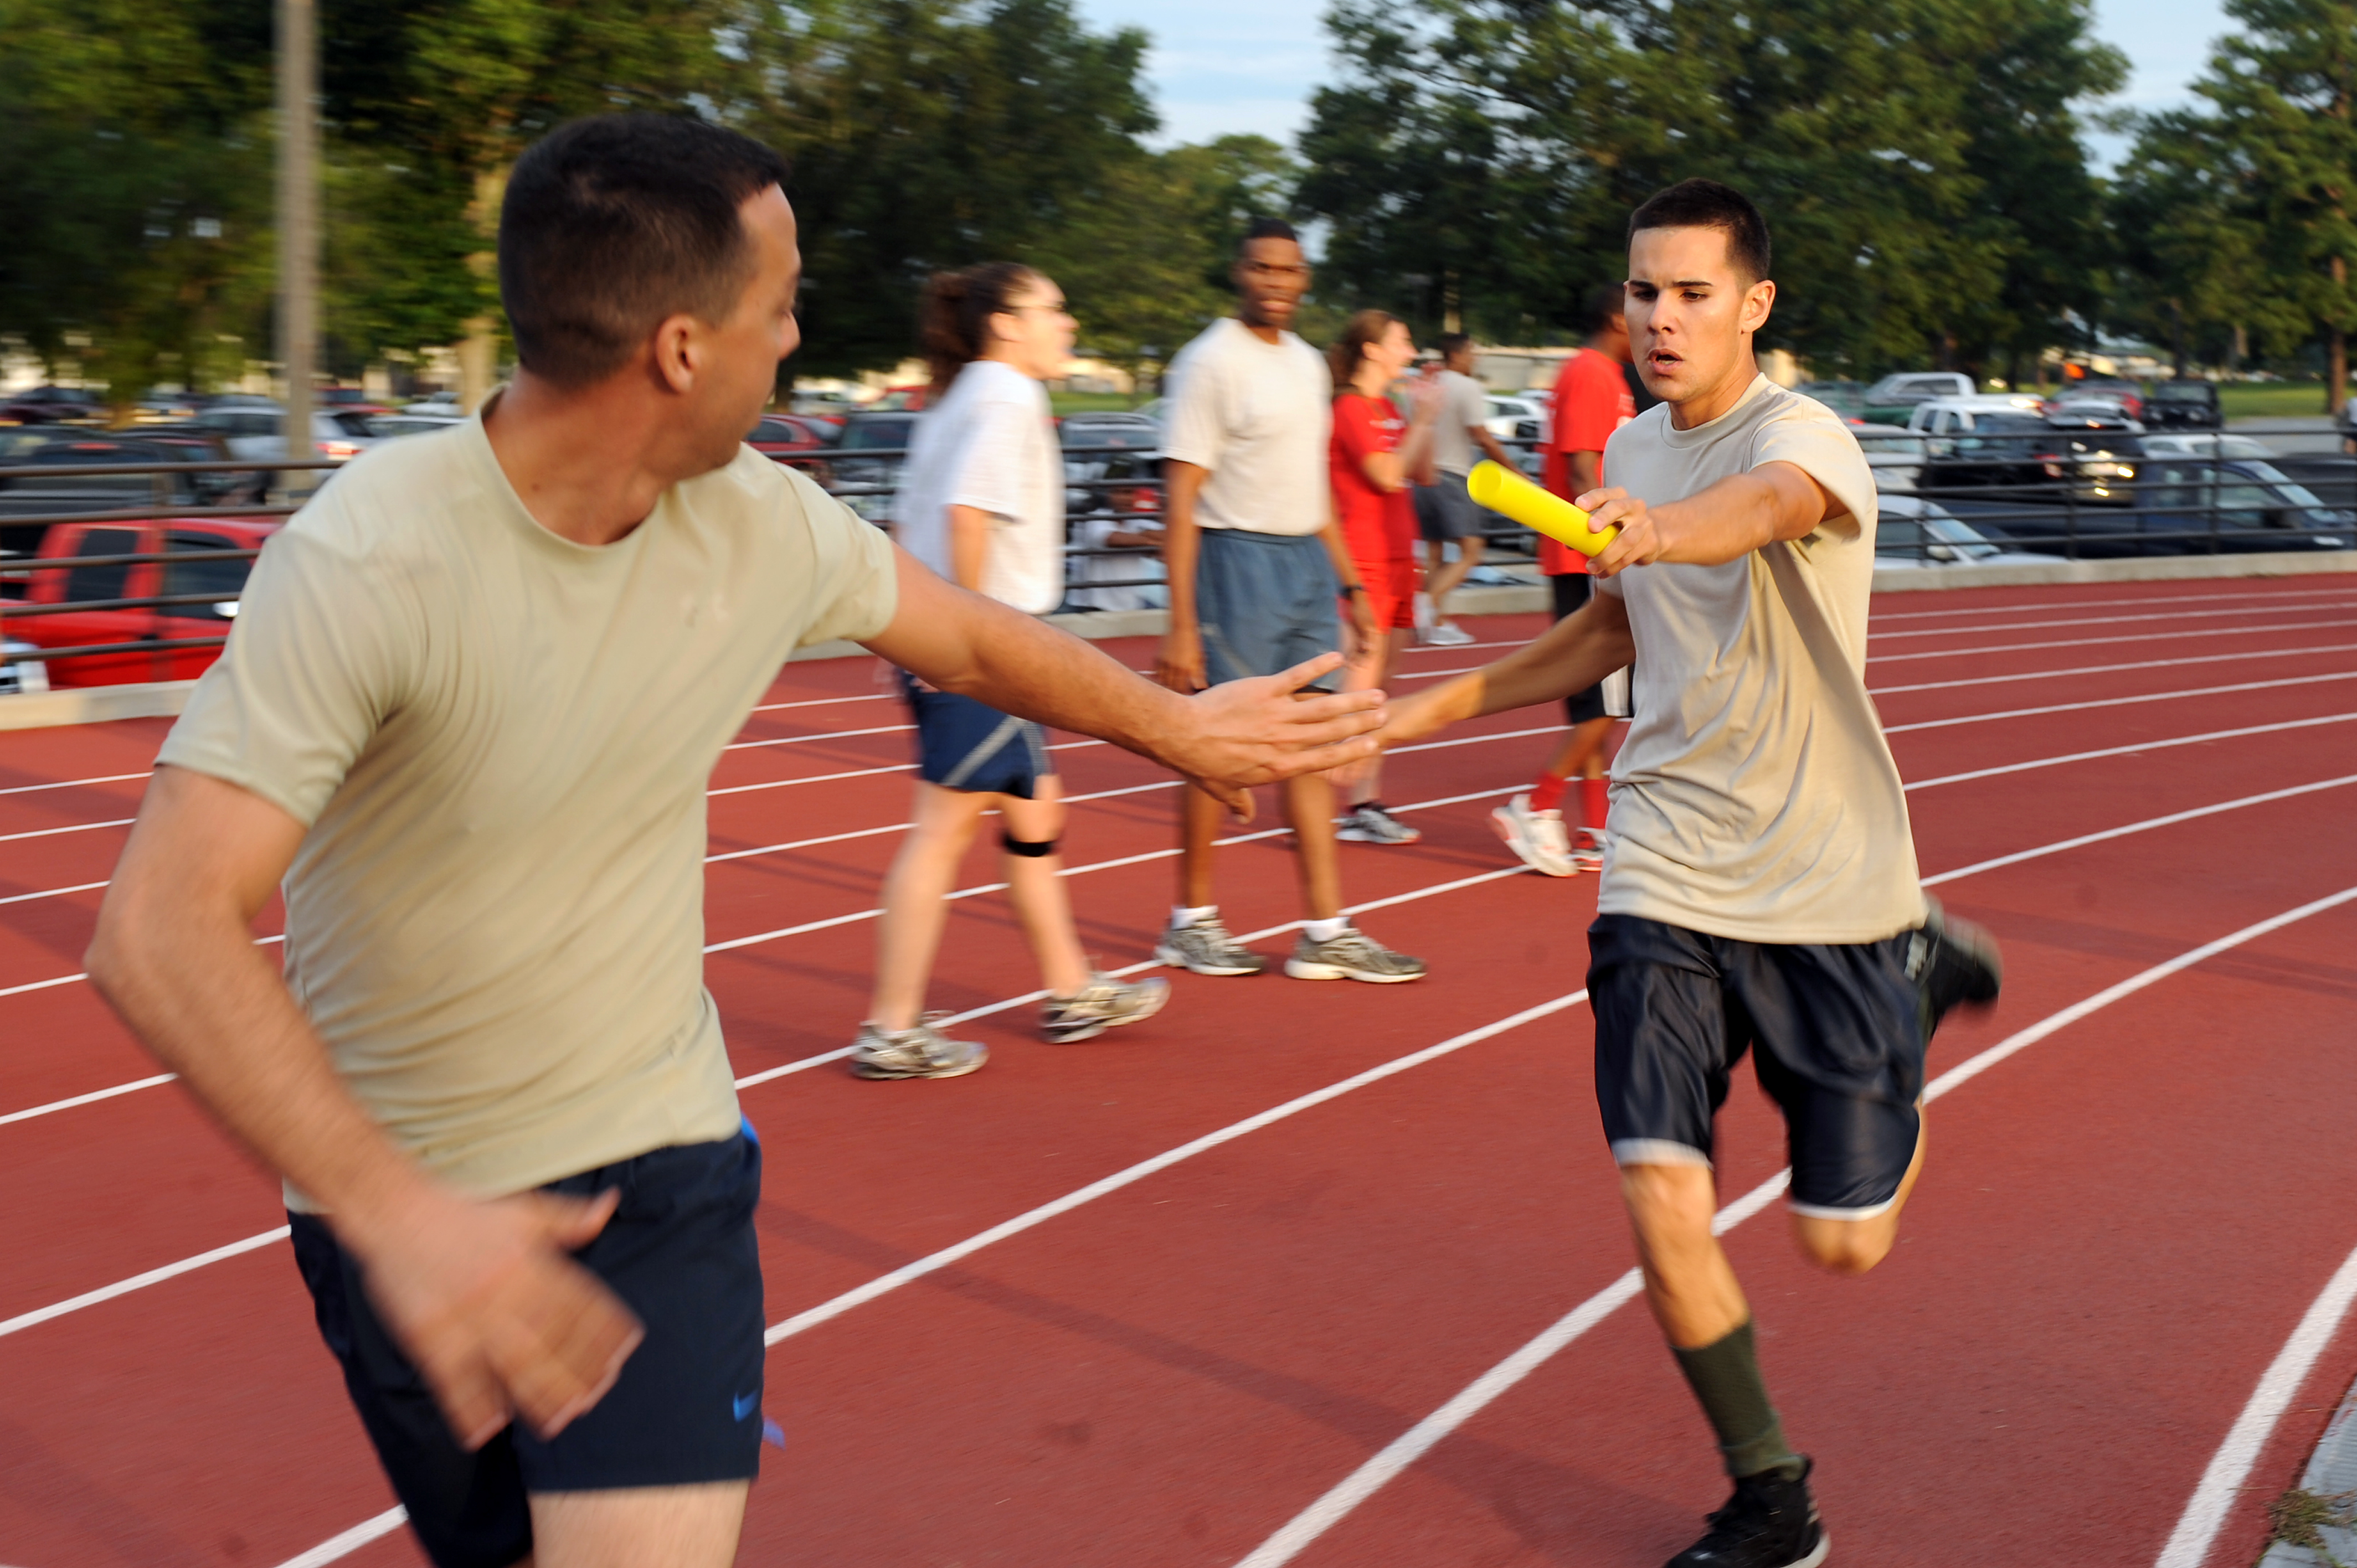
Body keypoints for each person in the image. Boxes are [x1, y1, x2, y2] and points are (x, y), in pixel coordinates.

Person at [83, 116, 1388, 1568]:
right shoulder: (371, 556)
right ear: (682, 349)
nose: (795, 336)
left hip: (661, 1163)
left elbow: (968, 637)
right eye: (781, 303)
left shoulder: (759, 520)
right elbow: (159, 928)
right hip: (393, 1205)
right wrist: (401, 1216)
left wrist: (1178, 727)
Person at [1366, 178, 2001, 1568]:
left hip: (1823, 874)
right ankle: (1771, 1493)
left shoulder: (1801, 436)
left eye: (1692, 293)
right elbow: (1608, 630)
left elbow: (1764, 508)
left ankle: (1911, 977)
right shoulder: (1633, 448)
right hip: (1660, 860)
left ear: (1753, 304)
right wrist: (1412, 715)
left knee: (1842, 1244)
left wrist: (1662, 528)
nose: (1660, 316)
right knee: (1661, 1192)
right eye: (1644, 290)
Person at [857, 264, 1170, 1079]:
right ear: (1005, 323)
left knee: (1035, 814)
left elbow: (905, 520)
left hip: (965, 638)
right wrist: (968, 638)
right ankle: (891, 1029)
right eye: (1053, 309)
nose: (1068, 323)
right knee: (941, 835)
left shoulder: (957, 397)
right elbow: (965, 514)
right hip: (984, 647)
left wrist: (909, 631)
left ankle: (1070, 988)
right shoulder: (1005, 395)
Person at [1152, 219, 1426, 984]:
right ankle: (1191, 922)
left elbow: (1314, 490)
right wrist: (1180, 624)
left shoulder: (1308, 365)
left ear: (1305, 279)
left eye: (1290, 270)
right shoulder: (1207, 362)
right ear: (1238, 273)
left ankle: (1325, 930)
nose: (1276, 282)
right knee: (1216, 747)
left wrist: (1351, 587)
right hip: (1234, 561)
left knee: (1314, 739)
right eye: (1262, 268)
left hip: (1307, 562)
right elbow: (1180, 500)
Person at [1491, 285, 1637, 879]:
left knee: (1597, 702)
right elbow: (1581, 467)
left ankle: (1595, 829)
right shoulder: (1591, 373)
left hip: (1583, 556)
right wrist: (1611, 543)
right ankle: (1537, 805)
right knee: (1604, 703)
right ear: (1615, 317)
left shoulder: (1600, 373)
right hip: (1588, 559)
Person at [1327, 310, 1442, 845]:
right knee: (1355, 692)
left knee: (1378, 692)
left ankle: (1364, 803)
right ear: (1372, 350)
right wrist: (1420, 422)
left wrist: (1425, 418)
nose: (1411, 351)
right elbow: (1386, 474)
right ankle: (1322, 802)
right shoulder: (1349, 407)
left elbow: (1423, 473)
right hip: (1364, 564)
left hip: (1399, 561)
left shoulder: (1389, 407)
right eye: (1403, 341)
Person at [1411, 332, 1520, 646]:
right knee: (1471, 552)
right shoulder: (1466, 386)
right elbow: (1481, 436)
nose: (1475, 359)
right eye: (1471, 353)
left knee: (1434, 553)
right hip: (1453, 477)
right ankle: (1427, 602)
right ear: (1456, 355)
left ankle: (1434, 624)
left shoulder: (1425, 385)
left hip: (1421, 479)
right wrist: (1514, 471)